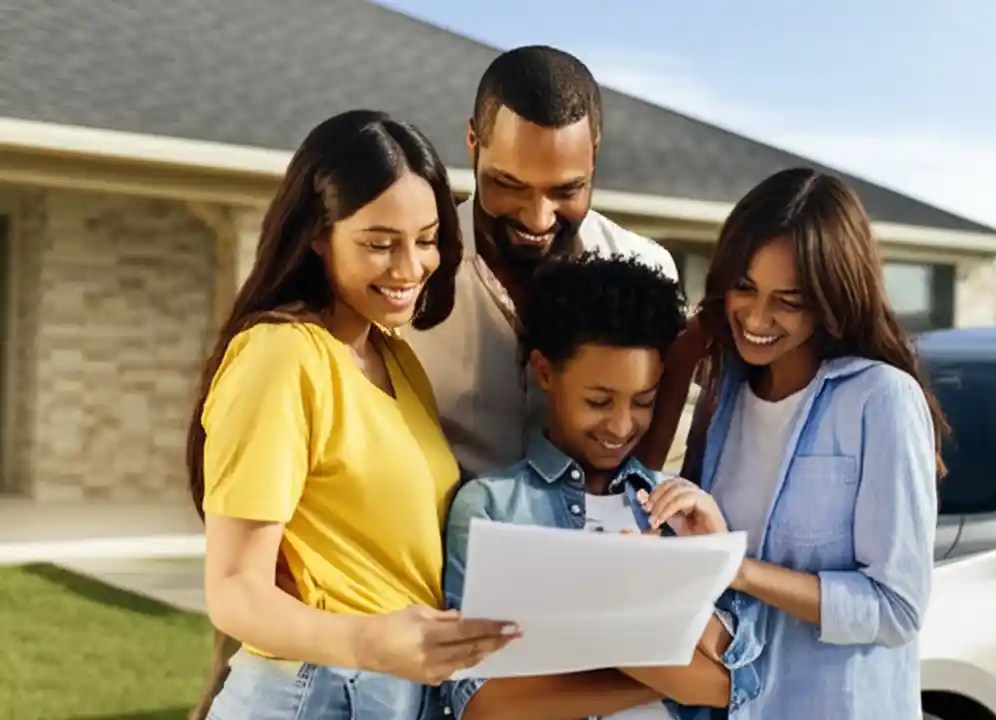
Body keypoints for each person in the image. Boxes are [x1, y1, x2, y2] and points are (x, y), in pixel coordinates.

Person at [186, 109, 518, 720]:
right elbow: (234, 590)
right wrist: (371, 642)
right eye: (379, 244)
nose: (410, 267)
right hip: (315, 694)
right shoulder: (281, 356)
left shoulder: (394, 358)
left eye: (426, 239)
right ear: (318, 235)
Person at [638, 167, 947, 718]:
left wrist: (736, 567)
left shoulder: (881, 399)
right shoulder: (726, 394)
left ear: (831, 299)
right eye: (744, 288)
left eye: (789, 300)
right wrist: (682, 361)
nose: (757, 317)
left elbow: (896, 608)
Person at [442, 254, 730, 719]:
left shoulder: (682, 512)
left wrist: (710, 556)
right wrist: (640, 641)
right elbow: (478, 701)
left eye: (644, 401)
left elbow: (730, 682)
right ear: (544, 372)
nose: (621, 426)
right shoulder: (492, 509)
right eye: (598, 401)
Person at [406, 44, 678, 480]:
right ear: (473, 144)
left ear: (594, 153)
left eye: (566, 191)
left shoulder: (646, 270)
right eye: (509, 185)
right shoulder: (410, 274)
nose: (538, 219)